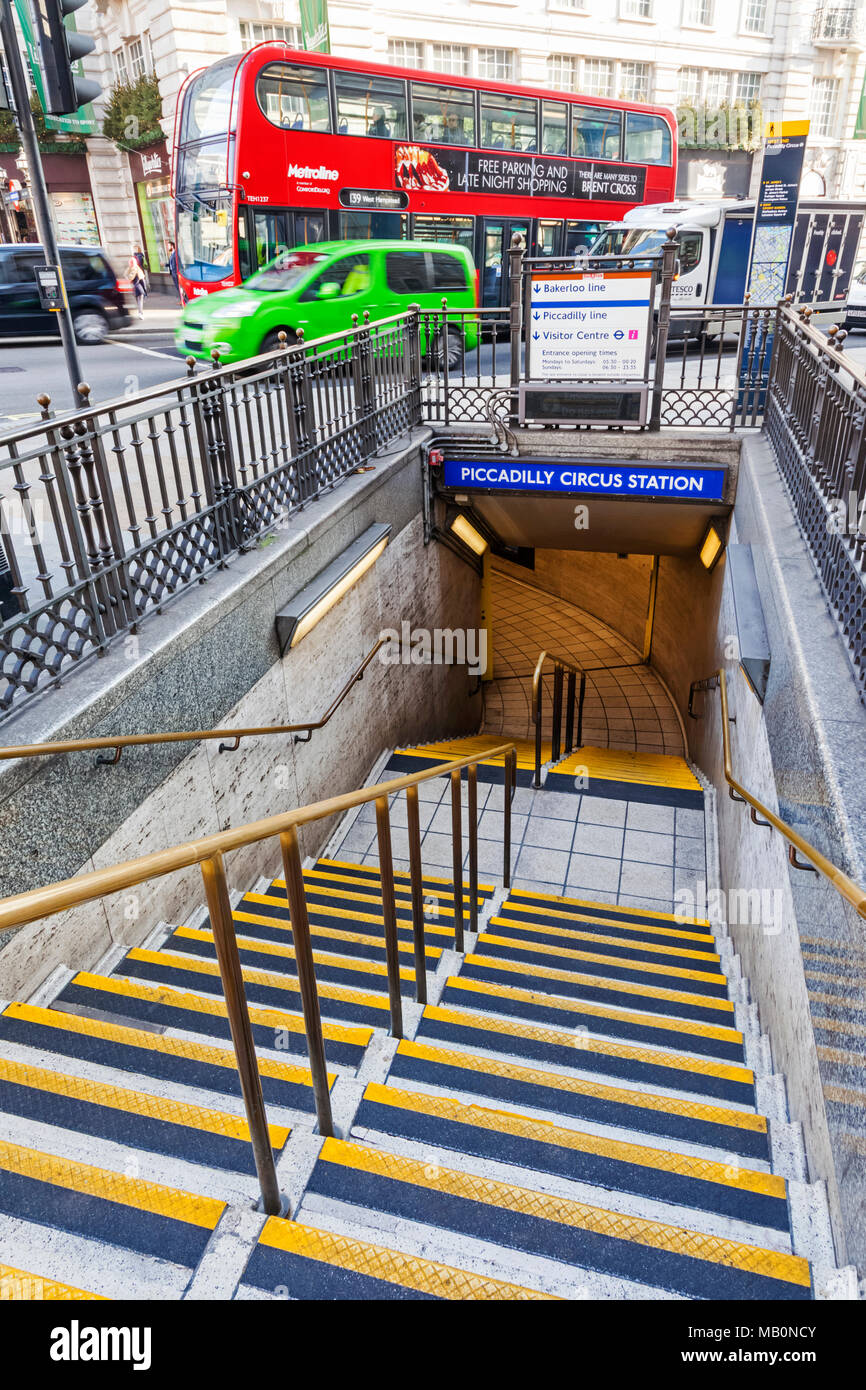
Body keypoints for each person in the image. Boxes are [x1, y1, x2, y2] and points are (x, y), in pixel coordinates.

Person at [127, 251, 147, 319]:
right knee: (140, 300)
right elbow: (141, 278)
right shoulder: (135, 268)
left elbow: (127, 276)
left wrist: (128, 278)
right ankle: (140, 313)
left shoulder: (130, 268)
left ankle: (140, 313)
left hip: (135, 286)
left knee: (138, 300)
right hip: (138, 286)